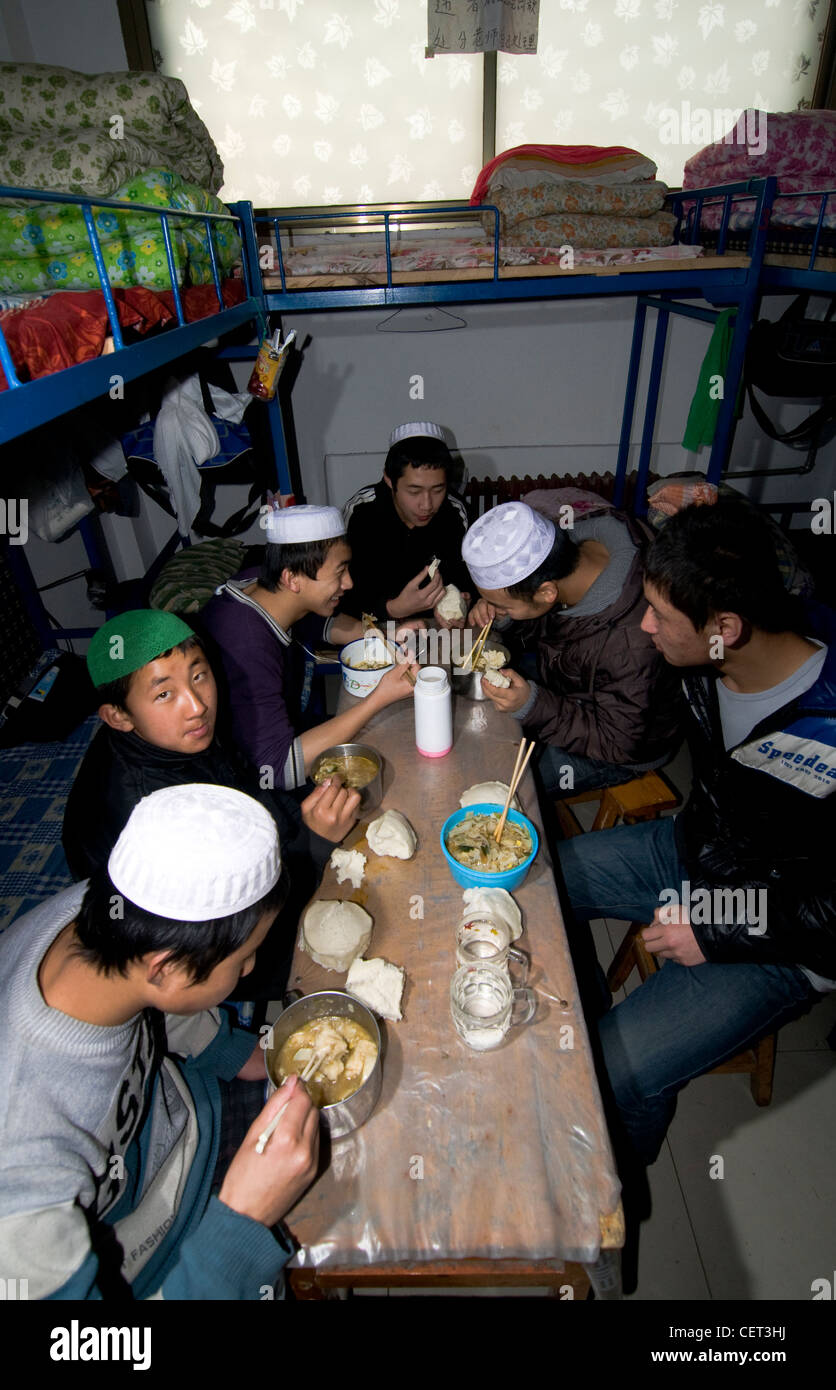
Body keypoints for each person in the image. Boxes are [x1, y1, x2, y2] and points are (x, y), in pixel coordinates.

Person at [557, 498, 836, 1167]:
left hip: (785, 935)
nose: (645, 624)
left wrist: (712, 926)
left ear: (726, 628)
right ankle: (581, 999)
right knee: (537, 882)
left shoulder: (827, 725)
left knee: (616, 1070)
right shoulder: (712, 659)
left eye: (660, 614)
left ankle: (616, 1182)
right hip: (694, 848)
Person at [0, 784, 320, 1299]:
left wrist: (235, 1054)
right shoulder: (22, 1177)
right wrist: (241, 1224)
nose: (251, 968)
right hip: (151, 1267)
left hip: (184, 1123)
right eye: (243, 960)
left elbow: (163, 1003)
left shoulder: (102, 916)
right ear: (167, 969)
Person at [62, 609, 359, 998]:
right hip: (211, 953)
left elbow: (248, 787)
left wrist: (304, 816)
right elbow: (226, 935)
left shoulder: (176, 735)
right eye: (164, 694)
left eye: (199, 675)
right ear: (118, 717)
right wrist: (312, 844)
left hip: (249, 876)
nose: (197, 705)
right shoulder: (151, 817)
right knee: (356, 952)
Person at [461, 495, 682, 796]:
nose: (496, 608)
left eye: (503, 605)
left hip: (623, 746)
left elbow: (619, 743)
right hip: (570, 682)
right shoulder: (572, 555)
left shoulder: (631, 644)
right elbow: (555, 622)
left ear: (547, 592)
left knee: (499, 784)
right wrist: (502, 617)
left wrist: (534, 705)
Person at [200, 503, 418, 792]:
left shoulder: (263, 584)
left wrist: (389, 635)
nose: (349, 582)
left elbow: (319, 623)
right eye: (339, 572)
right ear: (292, 578)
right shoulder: (245, 644)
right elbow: (279, 769)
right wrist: (380, 698)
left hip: (295, 730)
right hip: (257, 784)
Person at [341, 422, 471, 627]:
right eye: (414, 491)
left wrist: (458, 602)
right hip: (373, 627)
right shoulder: (362, 514)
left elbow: (462, 580)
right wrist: (393, 608)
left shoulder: (454, 514)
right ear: (389, 480)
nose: (427, 505)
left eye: (438, 490)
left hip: (433, 628)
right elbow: (342, 600)